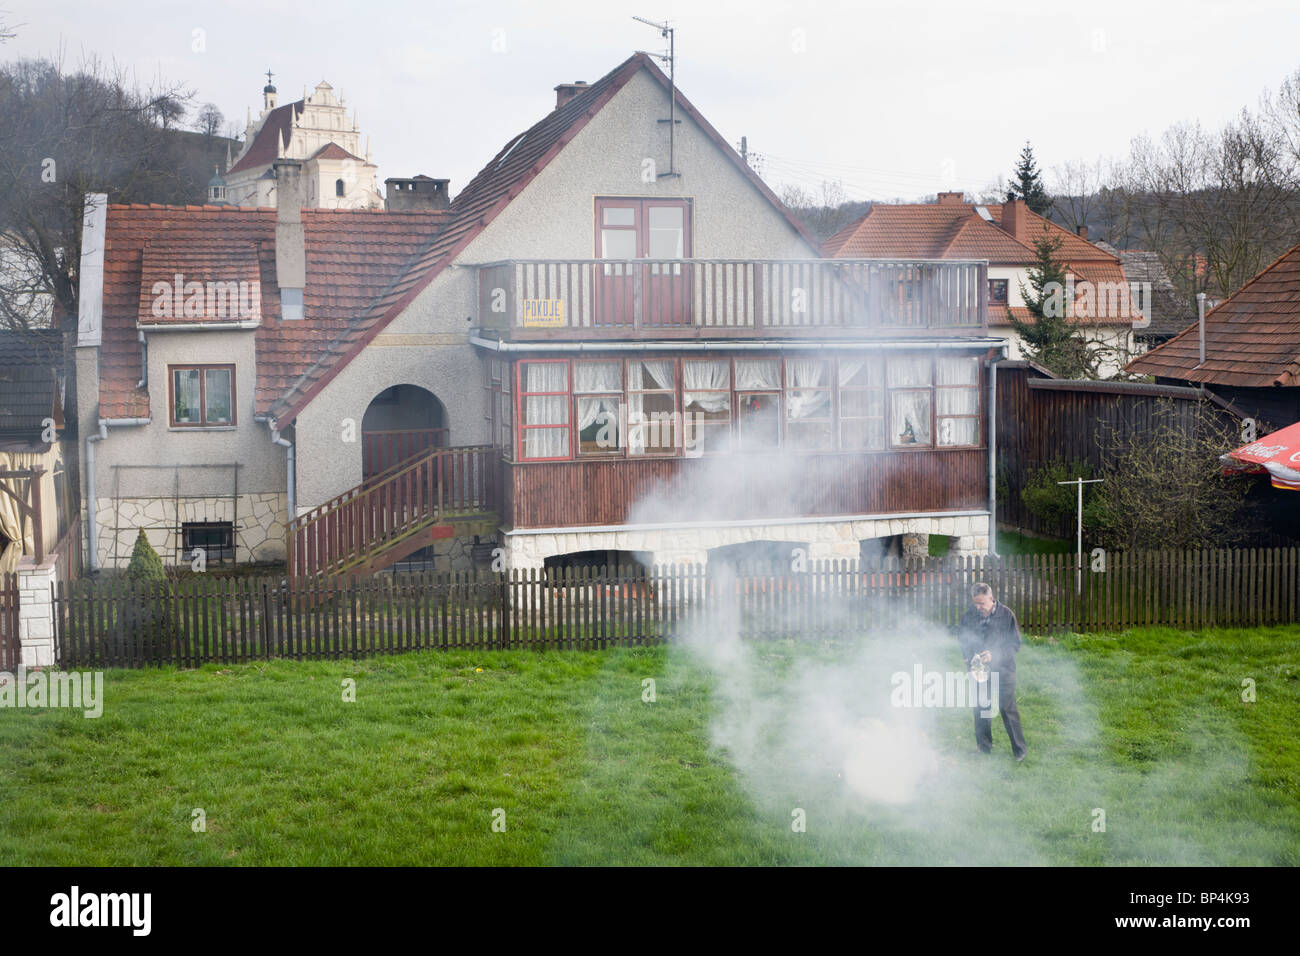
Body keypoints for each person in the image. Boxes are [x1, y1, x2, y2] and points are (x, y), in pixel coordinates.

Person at [957, 582, 1027, 761]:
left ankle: (1019, 751)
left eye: (982, 603)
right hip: (979, 670)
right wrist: (967, 656)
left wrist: (994, 655)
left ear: (991, 598)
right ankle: (983, 747)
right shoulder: (970, 615)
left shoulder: (1006, 615)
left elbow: (1014, 645)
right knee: (981, 708)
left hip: (1004, 669)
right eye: (976, 603)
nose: (978, 607)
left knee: (1007, 708)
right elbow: (963, 637)